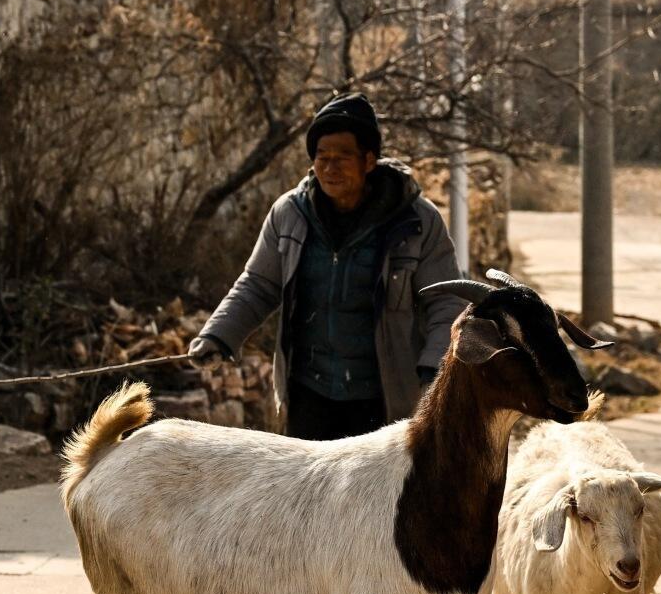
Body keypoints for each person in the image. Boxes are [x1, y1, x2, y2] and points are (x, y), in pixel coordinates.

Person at [186, 93, 461, 440]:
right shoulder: (290, 214)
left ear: (369, 160)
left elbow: (446, 302)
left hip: (384, 399)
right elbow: (258, 285)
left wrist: (434, 369)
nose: (330, 168)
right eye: (322, 157)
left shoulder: (416, 220)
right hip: (309, 394)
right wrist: (218, 336)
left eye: (342, 157)